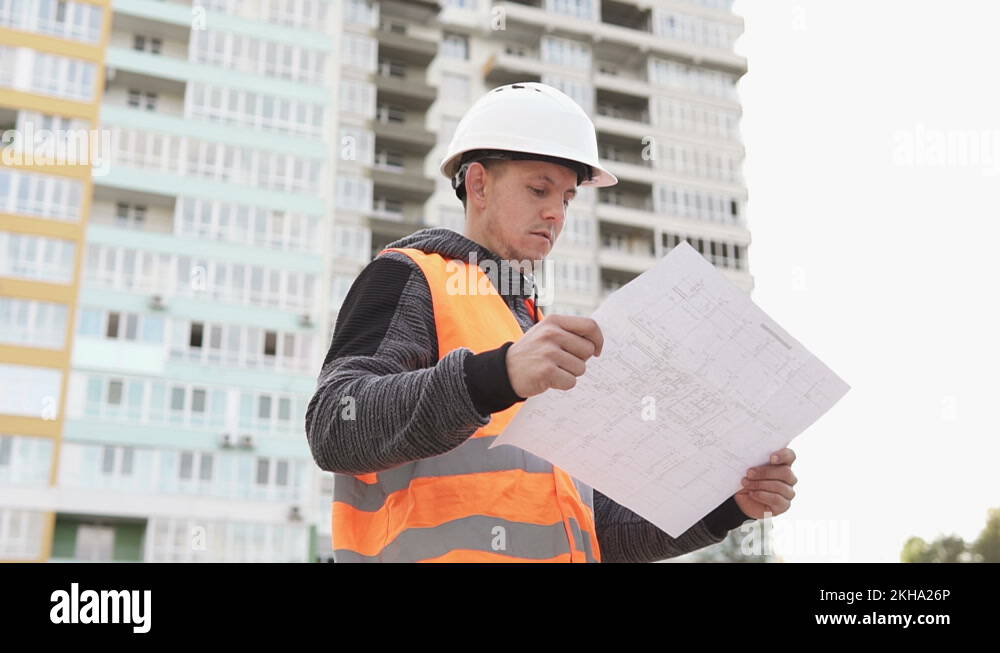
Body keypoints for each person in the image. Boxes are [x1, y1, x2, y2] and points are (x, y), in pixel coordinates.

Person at [305, 82, 798, 562]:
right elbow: (334, 424)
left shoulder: (536, 336)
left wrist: (728, 508)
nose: (555, 213)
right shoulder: (413, 276)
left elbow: (593, 530)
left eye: (565, 198)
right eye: (539, 189)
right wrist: (498, 376)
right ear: (478, 183)